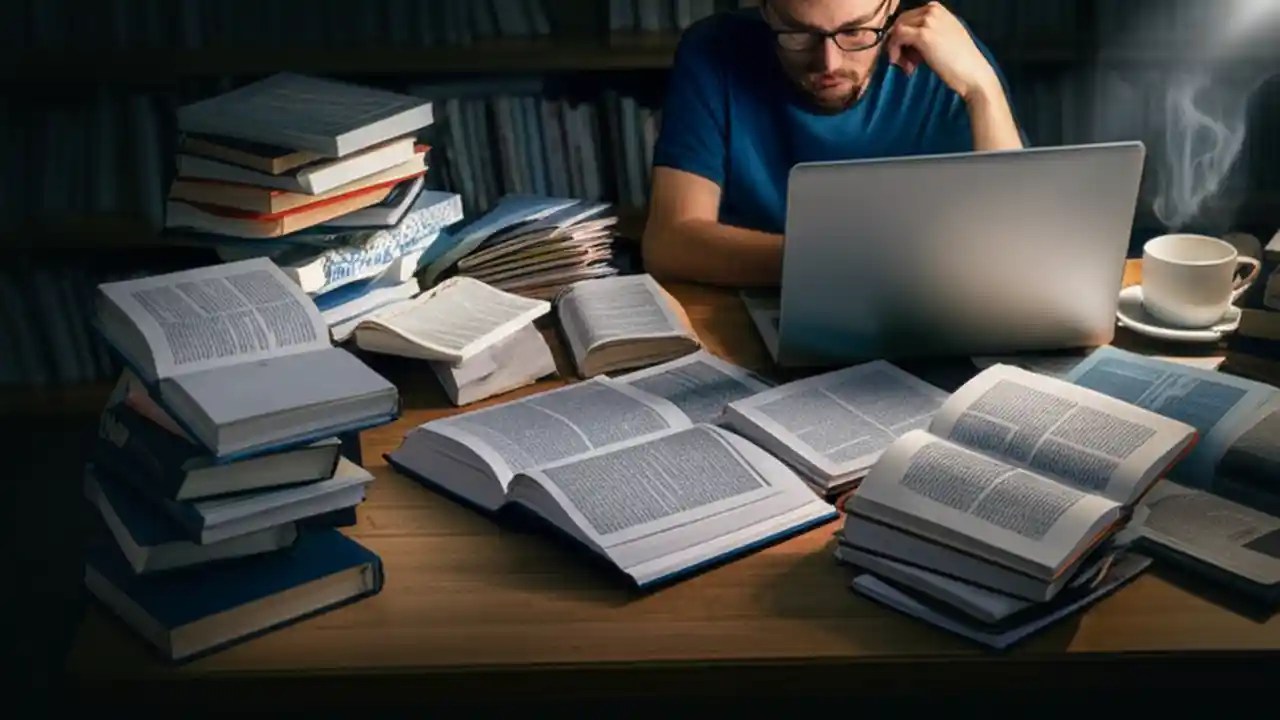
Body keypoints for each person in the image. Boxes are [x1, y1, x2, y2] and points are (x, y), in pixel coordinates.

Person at [642, 0, 1024, 287]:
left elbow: (1018, 253)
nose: (829, 62)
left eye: (856, 32)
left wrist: (982, 89)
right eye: (798, 34)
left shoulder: (951, 56)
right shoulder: (714, 51)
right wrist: (841, 265)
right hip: (761, 309)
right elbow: (670, 241)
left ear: (890, 6)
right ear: (766, 10)